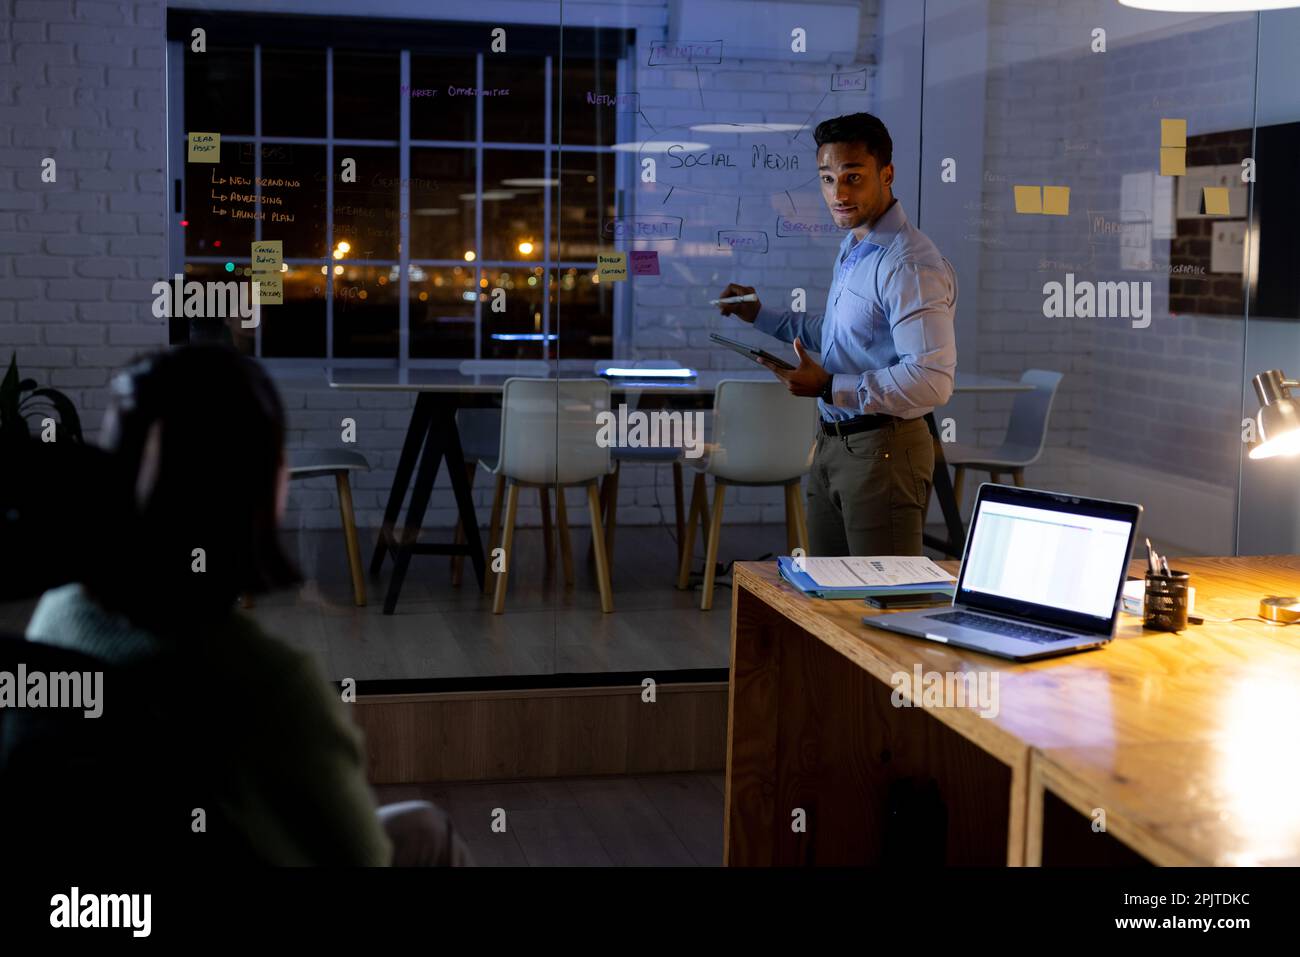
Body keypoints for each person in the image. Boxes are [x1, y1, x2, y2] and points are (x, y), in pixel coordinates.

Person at [21, 344, 471, 866]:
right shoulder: (270, 684)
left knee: (422, 826)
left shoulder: (58, 611)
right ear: (267, 483)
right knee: (428, 832)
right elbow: (362, 858)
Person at [717, 112, 958, 556]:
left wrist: (830, 386)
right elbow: (839, 336)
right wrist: (759, 315)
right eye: (827, 179)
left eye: (853, 177)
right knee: (829, 590)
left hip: (884, 449)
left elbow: (932, 379)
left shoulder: (908, 264)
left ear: (887, 175)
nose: (838, 194)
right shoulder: (857, 246)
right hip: (834, 442)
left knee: (879, 593)